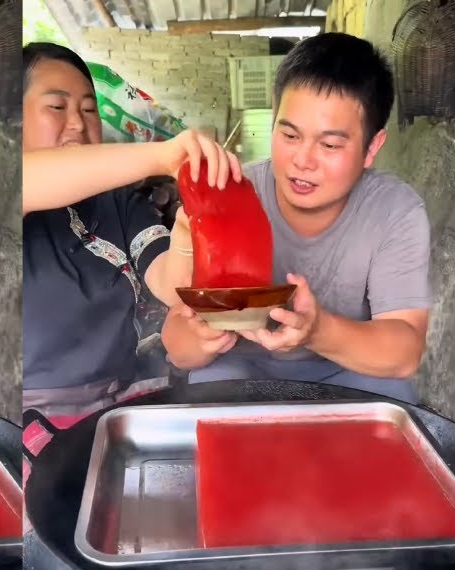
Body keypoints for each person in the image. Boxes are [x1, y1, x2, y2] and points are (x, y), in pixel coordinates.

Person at [160, 32, 432, 404]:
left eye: (330, 145)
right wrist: (200, 342)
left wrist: (318, 331)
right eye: (289, 134)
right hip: (242, 368)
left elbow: (404, 353)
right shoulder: (231, 191)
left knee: (396, 397)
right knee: (209, 387)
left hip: (347, 370)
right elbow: (178, 341)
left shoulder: (395, 211)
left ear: (372, 147)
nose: (303, 160)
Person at [21, 42, 239, 435]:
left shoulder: (117, 201)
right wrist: (164, 156)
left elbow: (169, 284)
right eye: (57, 107)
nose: (77, 123)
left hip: (123, 404)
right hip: (32, 418)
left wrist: (191, 227)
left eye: (89, 110)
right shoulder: (5, 192)